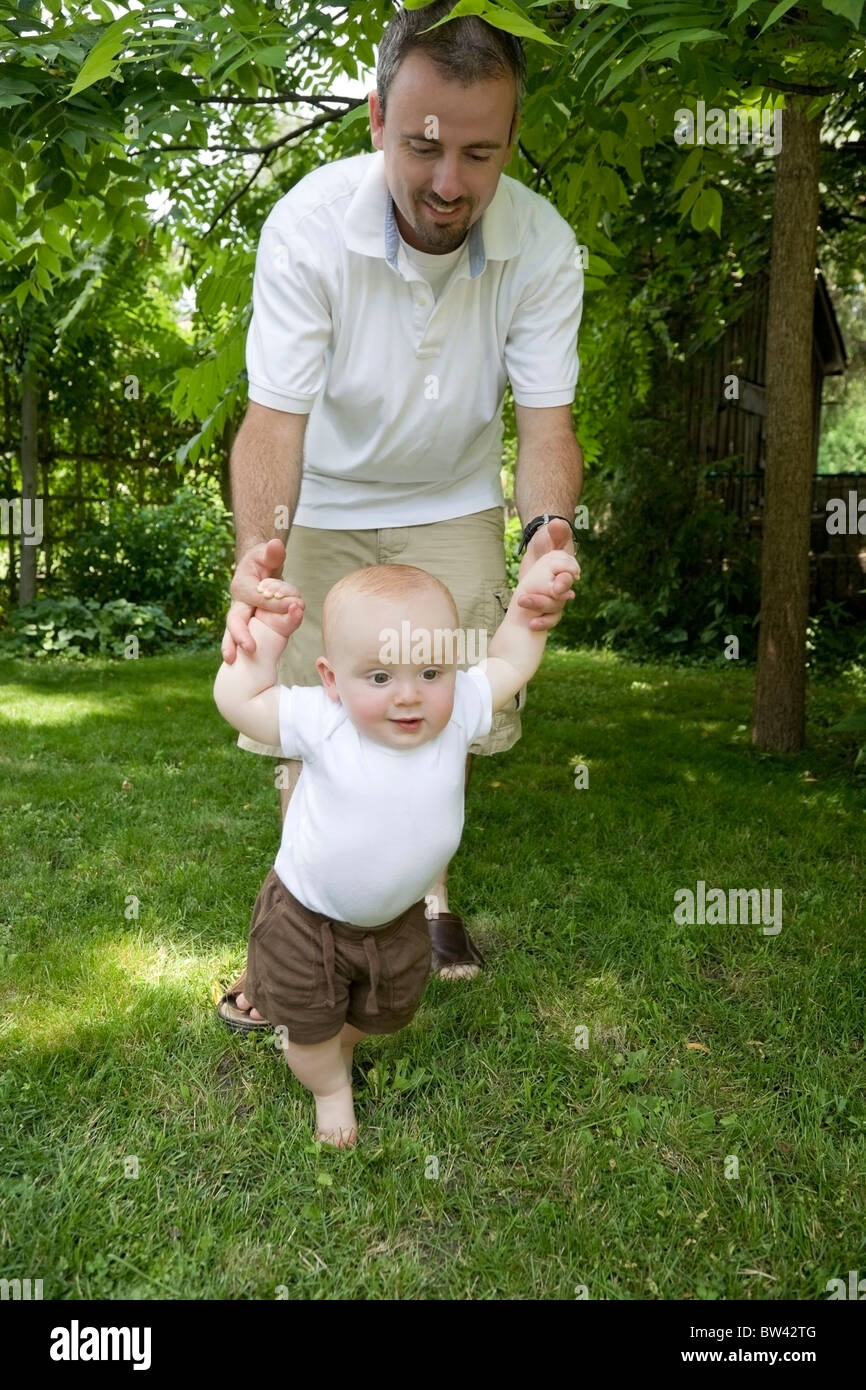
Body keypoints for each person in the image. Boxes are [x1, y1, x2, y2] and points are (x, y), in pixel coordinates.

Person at [217, 0, 584, 1025]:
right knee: (316, 726)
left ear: (511, 141)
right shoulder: (305, 225)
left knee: (437, 712)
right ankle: (300, 930)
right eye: (423, 144)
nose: (448, 182)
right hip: (320, 496)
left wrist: (547, 533)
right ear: (376, 115)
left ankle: (425, 908)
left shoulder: (541, 246)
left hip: (451, 498)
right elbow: (272, 419)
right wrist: (263, 552)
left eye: (479, 153)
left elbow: (547, 424)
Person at [213, 550, 579, 1146]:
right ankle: (330, 1088)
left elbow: (510, 659)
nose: (409, 695)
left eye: (430, 673)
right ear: (332, 679)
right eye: (380, 677)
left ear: (453, 668)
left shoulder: (458, 709)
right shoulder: (324, 719)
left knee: (385, 1015)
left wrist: (527, 607)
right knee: (307, 1033)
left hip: (397, 922)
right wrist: (262, 643)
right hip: (307, 919)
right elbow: (240, 704)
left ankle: (339, 1041)